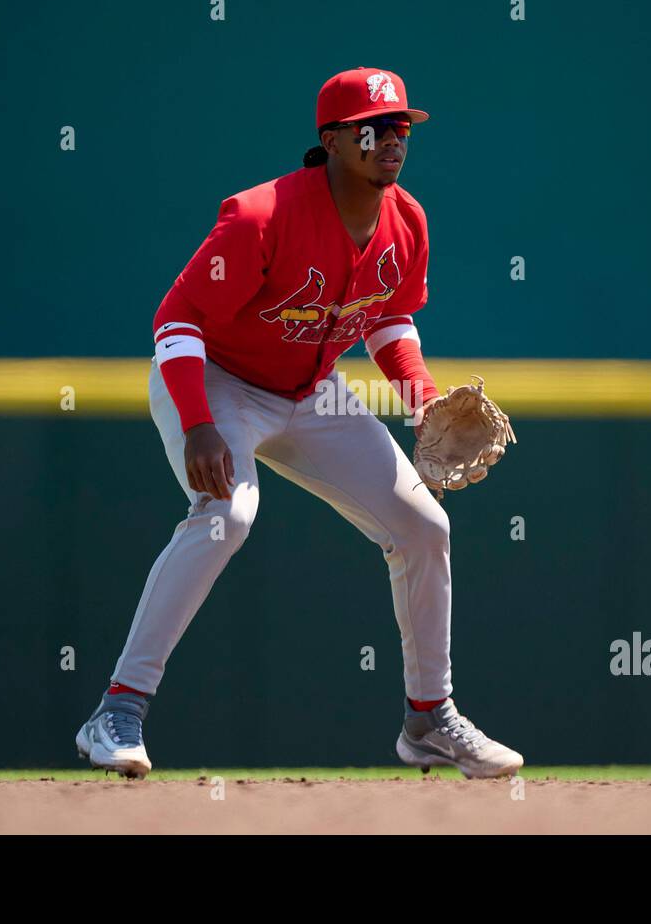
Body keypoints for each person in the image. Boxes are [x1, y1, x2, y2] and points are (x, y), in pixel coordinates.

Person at [75, 67, 523, 780]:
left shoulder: (406, 221)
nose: (393, 141)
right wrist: (197, 423)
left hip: (313, 393)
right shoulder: (261, 216)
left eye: (403, 128)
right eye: (375, 128)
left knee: (424, 529)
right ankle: (117, 711)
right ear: (334, 140)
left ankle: (429, 720)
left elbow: (389, 319)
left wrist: (422, 399)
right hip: (216, 382)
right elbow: (178, 320)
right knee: (228, 515)